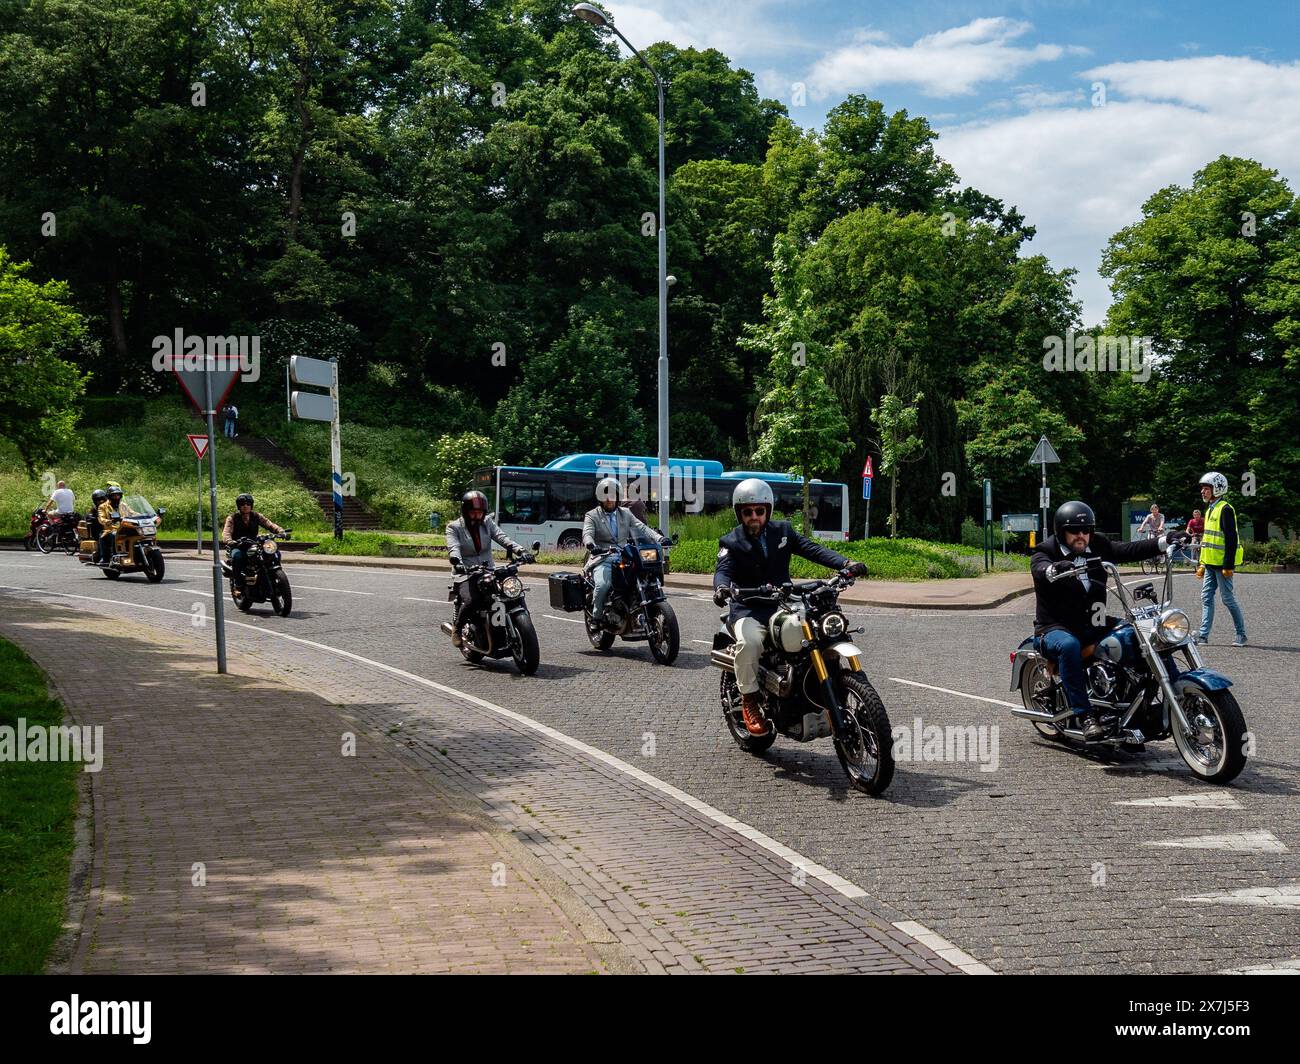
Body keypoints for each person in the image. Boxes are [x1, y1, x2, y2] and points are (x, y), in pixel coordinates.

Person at [712, 479, 866, 737]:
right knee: (749, 644)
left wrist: (845, 563)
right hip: (749, 609)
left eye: (759, 511)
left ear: (767, 511)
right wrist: (721, 588)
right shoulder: (731, 541)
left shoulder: (783, 531)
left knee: (815, 632)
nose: (754, 517)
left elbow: (811, 549)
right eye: (748, 512)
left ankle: (822, 689)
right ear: (740, 513)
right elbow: (723, 570)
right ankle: (749, 699)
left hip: (783, 604)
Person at [1031, 501, 1183, 740]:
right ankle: (1086, 716)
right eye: (1075, 531)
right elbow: (1040, 568)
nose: (1082, 536)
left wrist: (1165, 541)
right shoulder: (1045, 550)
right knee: (1069, 646)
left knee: (1144, 632)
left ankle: (1174, 692)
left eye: (1086, 530)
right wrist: (1053, 569)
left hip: (1095, 622)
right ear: (1061, 531)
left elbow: (1129, 549)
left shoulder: (1098, 544)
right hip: (1056, 628)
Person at [444, 490, 531, 646]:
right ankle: (457, 628)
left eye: (480, 513)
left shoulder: (487, 523)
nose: (477, 516)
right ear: (465, 511)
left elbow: (502, 537)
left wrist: (521, 551)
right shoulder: (454, 527)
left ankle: (519, 622)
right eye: (473, 513)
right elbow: (454, 547)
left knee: (511, 593)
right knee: (472, 600)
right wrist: (457, 562)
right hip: (467, 572)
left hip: (489, 569)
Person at [583, 477, 668, 625]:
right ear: (600, 498)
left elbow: (642, 528)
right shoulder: (592, 515)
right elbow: (587, 533)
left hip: (624, 555)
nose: (609, 499)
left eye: (613, 495)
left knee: (643, 573)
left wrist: (659, 539)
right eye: (606, 496)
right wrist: (591, 544)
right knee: (603, 585)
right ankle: (596, 617)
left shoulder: (626, 513)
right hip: (603, 557)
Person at [1194, 472, 1246, 647]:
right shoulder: (1209, 509)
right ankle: (1203, 635)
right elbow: (1207, 540)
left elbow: (1231, 539)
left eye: (1206, 488)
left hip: (1222, 565)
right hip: (1210, 564)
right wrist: (1202, 563)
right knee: (1206, 598)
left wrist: (1228, 565)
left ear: (1217, 489)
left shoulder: (1225, 509)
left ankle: (1241, 634)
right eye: (1202, 488)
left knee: (1227, 599)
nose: (1203, 491)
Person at [221, 493, 286, 587]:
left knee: (274, 552)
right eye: (242, 504)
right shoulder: (232, 518)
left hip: (254, 543)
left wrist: (280, 531)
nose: (245, 506)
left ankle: (275, 573)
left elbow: (270, 524)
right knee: (237, 557)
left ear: (251, 505)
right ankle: (238, 583)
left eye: (248, 504)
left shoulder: (257, 516)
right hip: (238, 545)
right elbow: (226, 532)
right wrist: (229, 541)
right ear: (239, 506)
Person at [87, 489, 107, 562]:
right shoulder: (94, 509)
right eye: (98, 500)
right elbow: (88, 516)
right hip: (99, 529)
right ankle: (103, 557)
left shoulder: (109, 507)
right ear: (95, 501)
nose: (101, 501)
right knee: (102, 536)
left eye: (102, 499)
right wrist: (94, 518)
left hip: (111, 527)